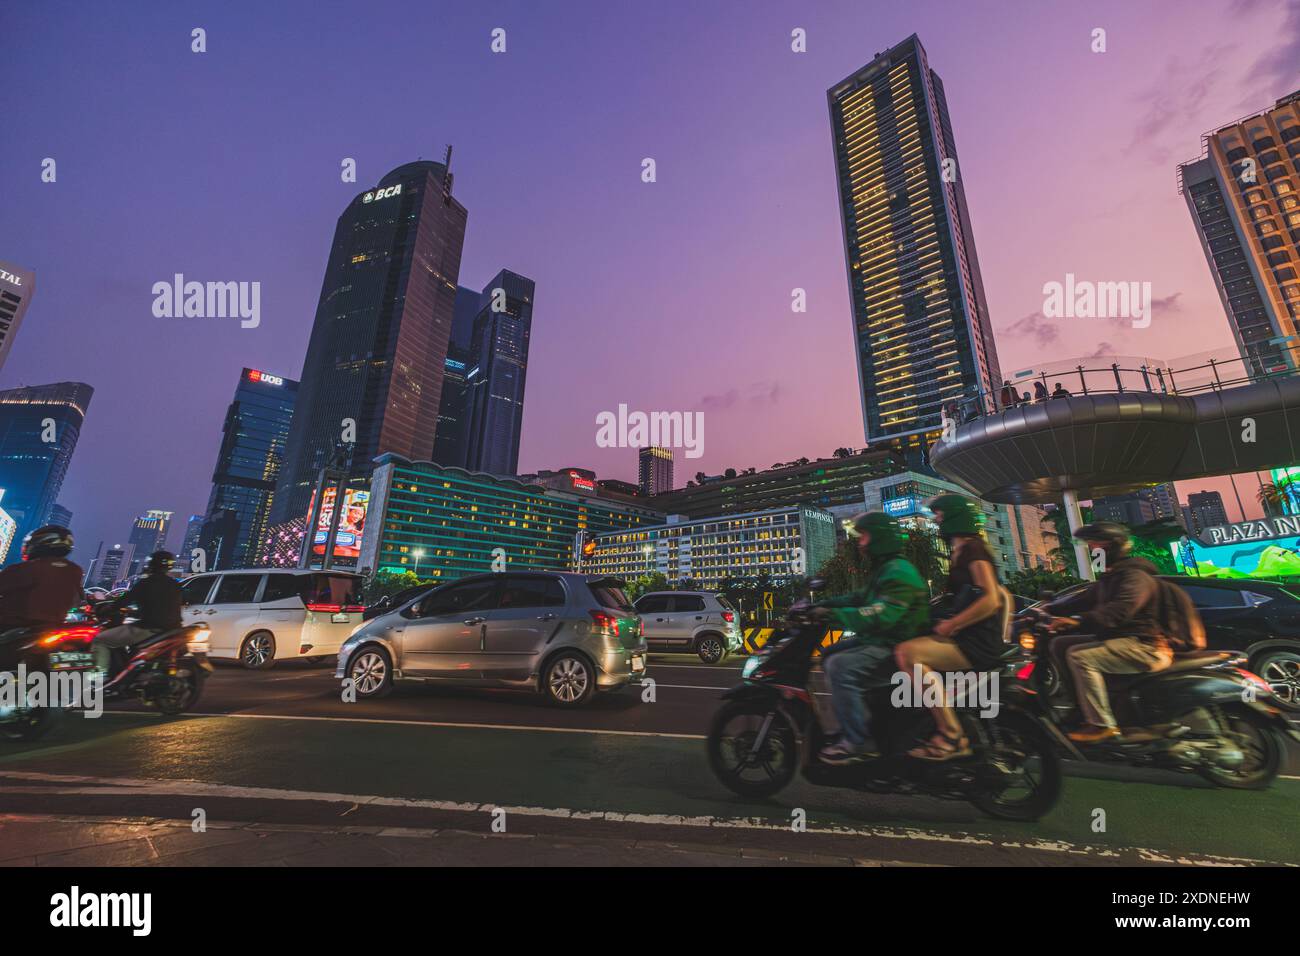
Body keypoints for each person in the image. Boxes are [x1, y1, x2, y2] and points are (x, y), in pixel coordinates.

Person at [813, 512, 930, 764]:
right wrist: (821, 606)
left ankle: (858, 740)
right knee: (829, 654)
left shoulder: (898, 572)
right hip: (883, 640)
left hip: (895, 645)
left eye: (864, 536)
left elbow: (878, 615)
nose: (861, 543)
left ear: (880, 538)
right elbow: (859, 598)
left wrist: (834, 613)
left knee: (840, 666)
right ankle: (860, 718)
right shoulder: (885, 569)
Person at [896, 495, 1006, 760]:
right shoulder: (959, 552)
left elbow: (991, 598)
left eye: (940, 516)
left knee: (907, 654)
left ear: (955, 518)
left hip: (975, 641)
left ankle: (950, 734)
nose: (936, 520)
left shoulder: (973, 551)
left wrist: (952, 625)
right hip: (968, 635)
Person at [1046, 523, 1172, 743]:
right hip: (1124, 641)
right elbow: (1081, 600)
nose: (1092, 550)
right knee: (1061, 644)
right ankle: (1082, 709)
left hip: (1144, 645)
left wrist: (1077, 622)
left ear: (1112, 547)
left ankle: (1101, 725)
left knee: (1080, 657)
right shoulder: (1112, 577)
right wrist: (1046, 609)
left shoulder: (1135, 575)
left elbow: (1119, 611)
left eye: (1095, 545)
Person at [92, 550, 184, 674]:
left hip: (148, 630)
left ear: (151, 565)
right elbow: (161, 607)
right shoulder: (175, 585)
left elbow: (123, 602)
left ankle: (98, 680)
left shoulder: (146, 583)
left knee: (100, 640)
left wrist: (106, 609)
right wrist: (133, 613)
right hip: (170, 630)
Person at [0, 525, 85, 633]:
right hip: (53, 627)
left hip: (13, 626)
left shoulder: (26, 568)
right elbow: (79, 599)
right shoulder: (75, 570)